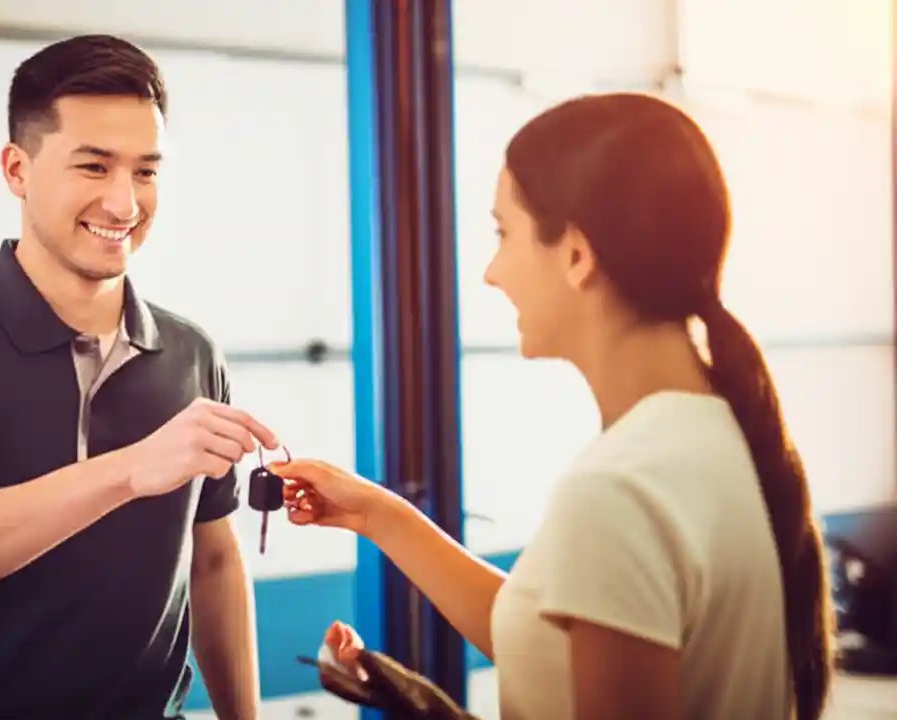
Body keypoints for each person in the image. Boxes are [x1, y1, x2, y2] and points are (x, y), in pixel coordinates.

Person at [272, 93, 835, 720]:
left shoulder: (617, 488)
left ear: (575, 254)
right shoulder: (714, 435)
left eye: (503, 233)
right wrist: (381, 516)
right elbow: (554, 638)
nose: (491, 272)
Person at [0, 34, 276, 720]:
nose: (123, 203)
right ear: (17, 169)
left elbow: (215, 560)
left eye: (145, 171)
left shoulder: (193, 355)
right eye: (94, 166)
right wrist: (131, 470)